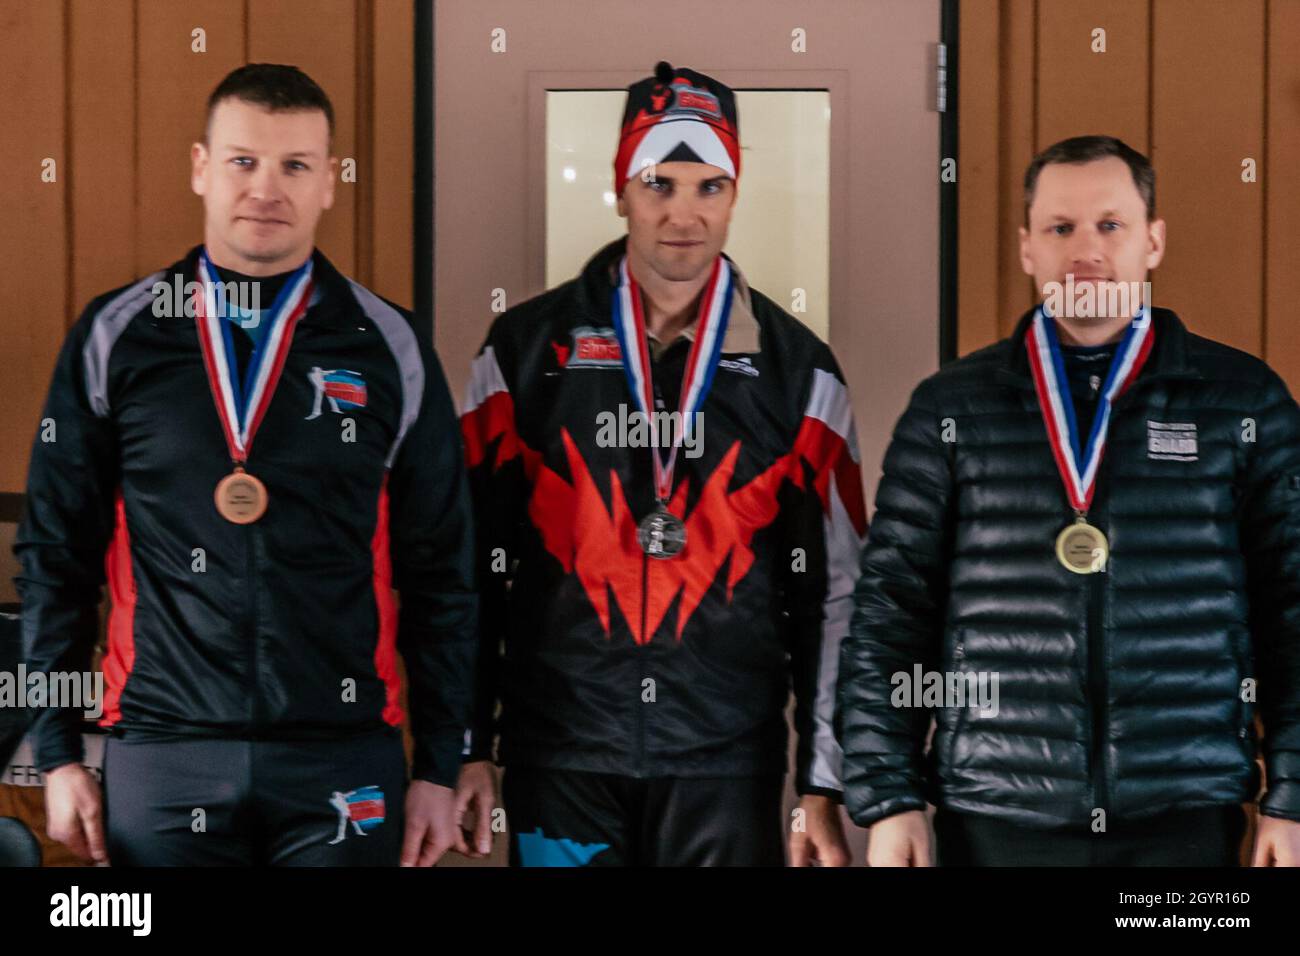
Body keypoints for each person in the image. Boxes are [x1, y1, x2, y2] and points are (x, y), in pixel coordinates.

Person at [14, 63, 476, 866]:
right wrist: (55, 751)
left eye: (295, 165)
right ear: (201, 167)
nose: (267, 188)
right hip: (162, 748)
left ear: (329, 182)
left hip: (342, 754)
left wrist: (441, 763)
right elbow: (54, 552)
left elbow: (445, 569)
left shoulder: (389, 345)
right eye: (243, 161)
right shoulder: (116, 335)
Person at [837, 135, 1300, 866]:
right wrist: (889, 797)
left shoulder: (1243, 400)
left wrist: (1291, 799)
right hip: (995, 814)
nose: (1085, 248)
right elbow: (891, 613)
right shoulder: (951, 408)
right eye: (1060, 228)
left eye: (1109, 225)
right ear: (1027, 248)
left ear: (1153, 241)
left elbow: (1291, 607)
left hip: (1184, 814)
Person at [455, 62, 867, 866]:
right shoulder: (525, 351)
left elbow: (838, 591)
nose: (685, 214)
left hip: (726, 763)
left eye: (710, 186)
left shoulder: (799, 373)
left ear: (736, 193)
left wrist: (824, 779)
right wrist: (466, 744)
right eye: (659, 184)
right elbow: (464, 567)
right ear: (621, 189)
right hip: (560, 756)